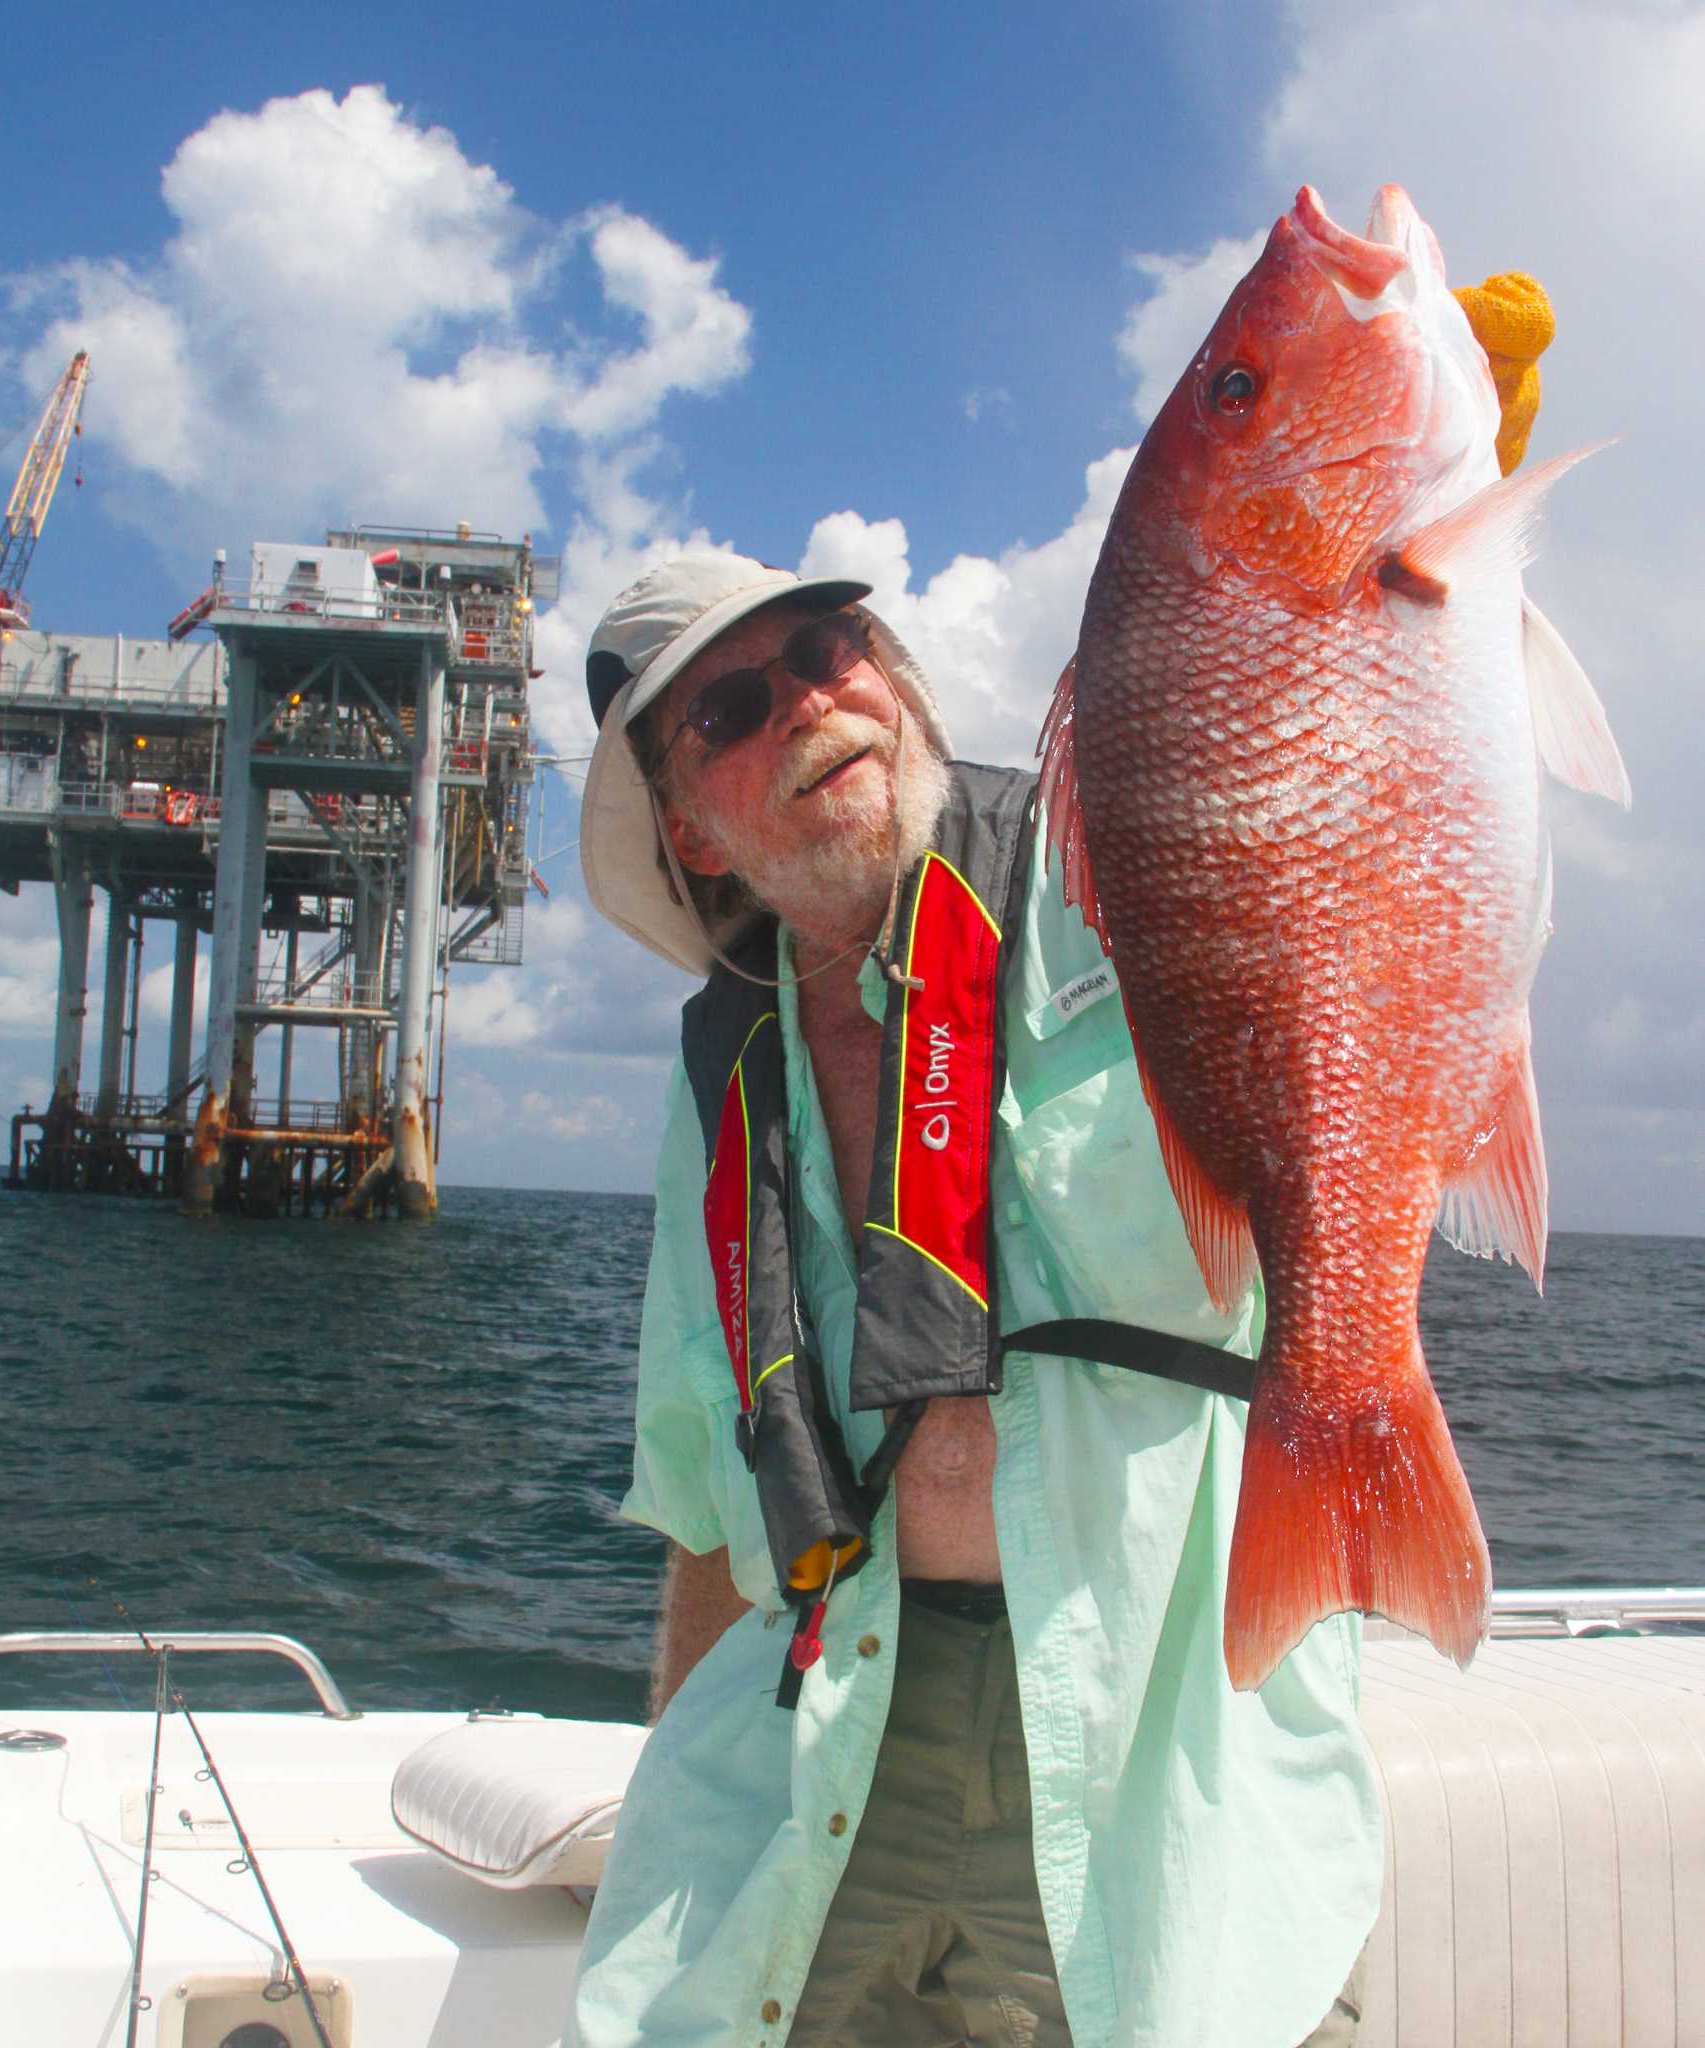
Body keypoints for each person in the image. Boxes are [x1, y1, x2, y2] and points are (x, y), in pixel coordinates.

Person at [565, 284, 1550, 2048]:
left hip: (1141, 1730)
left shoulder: (1113, 884)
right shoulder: (723, 1069)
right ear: (685, 829)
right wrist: (676, 1804)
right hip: (827, 1735)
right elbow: (712, 1506)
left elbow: (1342, 850)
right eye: (726, 709)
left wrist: (1427, 560)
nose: (803, 703)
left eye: (823, 651)